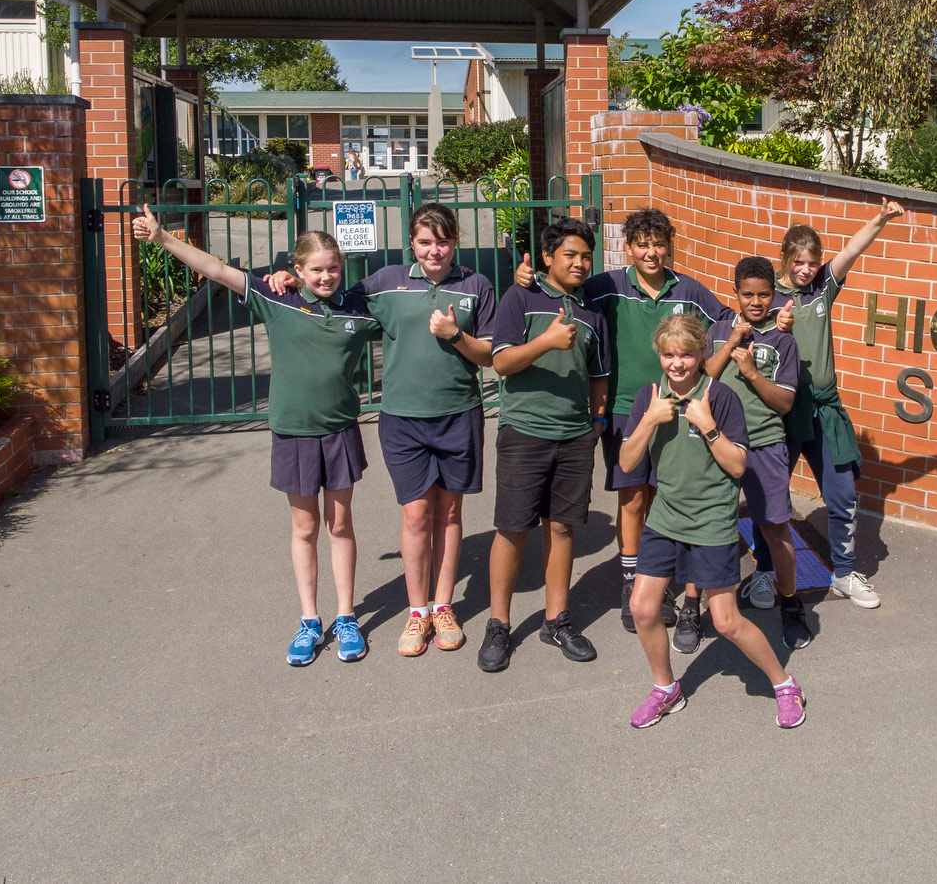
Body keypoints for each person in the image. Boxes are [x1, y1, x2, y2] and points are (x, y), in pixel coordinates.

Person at [131, 211, 378, 667]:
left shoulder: (357, 308)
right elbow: (217, 269)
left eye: (333, 268)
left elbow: (406, 308)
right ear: (297, 269)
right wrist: (163, 237)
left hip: (340, 430)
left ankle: (346, 617)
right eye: (316, 268)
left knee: (340, 525)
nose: (326, 276)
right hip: (293, 433)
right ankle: (309, 620)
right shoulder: (275, 297)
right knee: (304, 529)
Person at [268, 203, 494, 657]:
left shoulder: (476, 285)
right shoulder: (384, 283)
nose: (435, 250)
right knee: (415, 516)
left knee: (450, 514)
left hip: (459, 413)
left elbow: (489, 354)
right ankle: (417, 611)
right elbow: (329, 296)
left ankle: (443, 605)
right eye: (425, 241)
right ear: (412, 243)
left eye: (444, 241)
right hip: (403, 419)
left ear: (456, 241)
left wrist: (455, 335)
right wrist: (287, 278)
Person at [515, 207, 748, 642]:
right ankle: (632, 579)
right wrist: (525, 280)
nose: (651, 252)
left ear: (669, 246)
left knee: (668, 492)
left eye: (659, 244)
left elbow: (727, 319)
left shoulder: (690, 290)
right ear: (629, 247)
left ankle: (664, 577)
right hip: (629, 407)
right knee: (633, 497)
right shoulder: (606, 286)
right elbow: (562, 289)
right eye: (642, 244)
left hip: (681, 405)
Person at [620, 313, 806, 730]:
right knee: (642, 608)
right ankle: (665, 688)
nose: (677, 363)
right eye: (669, 355)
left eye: (686, 354)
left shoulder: (720, 398)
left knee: (726, 621)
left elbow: (739, 466)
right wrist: (650, 420)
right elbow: (627, 462)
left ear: (702, 353)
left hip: (711, 522)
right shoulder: (649, 396)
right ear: (660, 355)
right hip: (665, 518)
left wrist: (708, 428)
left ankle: (784, 684)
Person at [479, 216, 612, 672]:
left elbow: (599, 375)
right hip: (524, 432)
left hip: (575, 437)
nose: (579, 263)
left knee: (562, 528)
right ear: (547, 258)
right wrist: (548, 341)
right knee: (513, 528)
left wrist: (595, 423)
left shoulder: (593, 310)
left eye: (585, 256)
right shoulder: (521, 297)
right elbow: (502, 362)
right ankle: (499, 623)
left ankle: (557, 620)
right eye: (569, 255)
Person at [761, 198, 906, 610]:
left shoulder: (824, 285)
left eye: (811, 262)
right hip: (783, 411)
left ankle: (843, 574)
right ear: (786, 257)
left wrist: (879, 219)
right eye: (799, 261)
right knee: (772, 497)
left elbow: (852, 250)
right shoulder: (767, 294)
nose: (805, 269)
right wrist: (774, 324)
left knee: (842, 494)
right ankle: (764, 574)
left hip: (825, 408)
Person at [704, 256, 808, 652]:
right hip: (717, 443)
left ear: (773, 295)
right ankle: (693, 608)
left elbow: (784, 403)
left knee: (776, 527)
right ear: (736, 294)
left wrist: (751, 372)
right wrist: (732, 342)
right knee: (708, 527)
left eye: (764, 295)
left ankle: (791, 606)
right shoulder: (717, 331)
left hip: (764, 444)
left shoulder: (783, 340)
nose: (757, 302)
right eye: (748, 294)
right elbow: (703, 379)